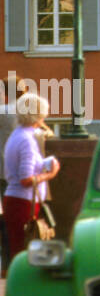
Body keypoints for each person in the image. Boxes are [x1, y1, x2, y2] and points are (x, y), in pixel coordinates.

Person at [3, 92, 60, 266]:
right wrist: (50, 174)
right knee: (24, 251)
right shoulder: (27, 140)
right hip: (24, 202)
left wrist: (43, 163)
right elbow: (26, 179)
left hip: (16, 199)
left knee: (18, 248)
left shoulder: (18, 134)